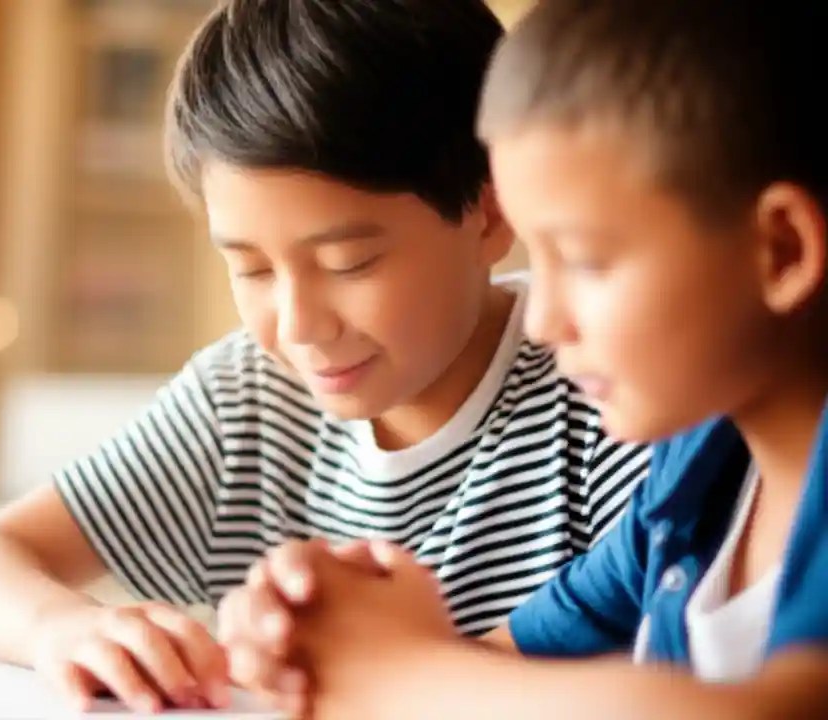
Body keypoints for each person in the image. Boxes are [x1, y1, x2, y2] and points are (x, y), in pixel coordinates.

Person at [0, 0, 648, 713]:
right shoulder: (250, 400)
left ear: (489, 210)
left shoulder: (608, 386)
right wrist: (63, 627)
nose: (299, 327)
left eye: (351, 262)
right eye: (253, 270)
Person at [218, 0, 828, 716]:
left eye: (583, 260)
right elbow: (503, 666)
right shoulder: (697, 472)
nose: (540, 320)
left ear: (780, 251)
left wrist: (398, 671)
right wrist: (324, 639)